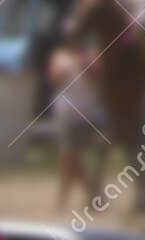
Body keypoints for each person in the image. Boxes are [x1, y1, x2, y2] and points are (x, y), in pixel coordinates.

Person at [49, 40, 106, 211]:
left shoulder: (92, 57)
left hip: (89, 115)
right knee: (68, 156)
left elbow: (97, 79)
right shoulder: (61, 58)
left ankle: (68, 198)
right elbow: (55, 78)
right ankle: (89, 194)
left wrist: (86, 64)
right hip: (67, 115)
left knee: (69, 158)